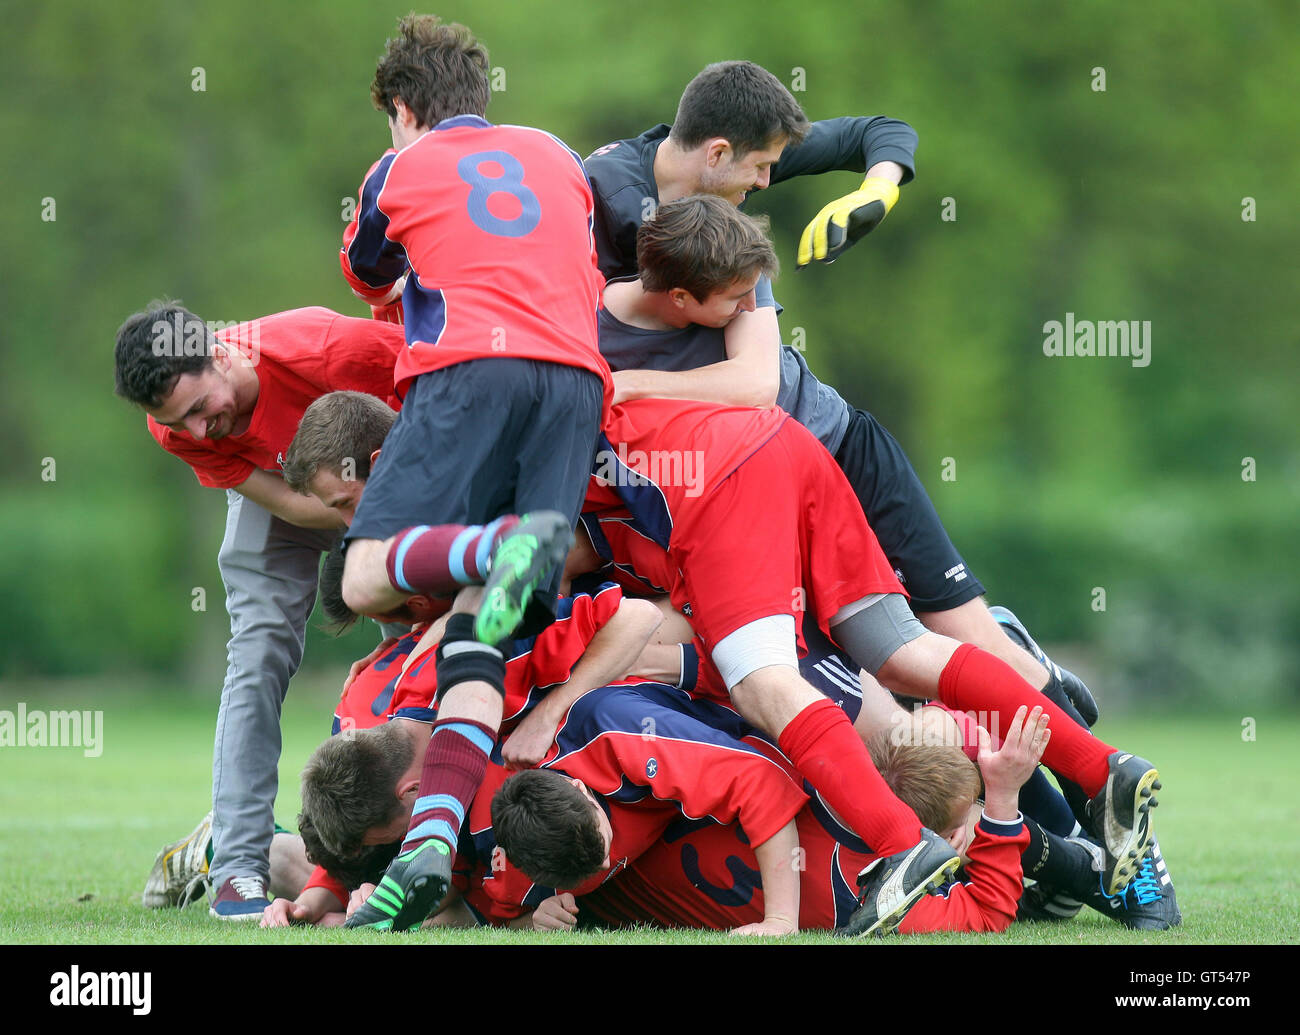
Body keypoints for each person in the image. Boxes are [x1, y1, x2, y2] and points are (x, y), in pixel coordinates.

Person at [586, 65, 1100, 727]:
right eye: (762, 168)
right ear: (717, 154)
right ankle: (1023, 811)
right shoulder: (619, 199)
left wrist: (873, 195)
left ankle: (1093, 773)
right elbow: (675, 279)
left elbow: (879, 131)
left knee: (964, 639)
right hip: (752, 484)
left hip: (833, 444)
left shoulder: (723, 184)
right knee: (883, 661)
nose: (768, 182)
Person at [578, 391, 1160, 925]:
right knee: (905, 655)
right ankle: (1098, 769)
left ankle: (909, 845)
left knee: (773, 687)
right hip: (796, 441)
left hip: (743, 476)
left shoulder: (571, 423)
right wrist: (1002, 801)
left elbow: (645, 623)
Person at [334, 14, 613, 929]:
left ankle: (500, 541)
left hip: (472, 373)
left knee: (362, 575)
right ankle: (431, 840)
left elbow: (367, 268)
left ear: (405, 110)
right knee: (476, 629)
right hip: (577, 385)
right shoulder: (558, 154)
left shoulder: (397, 167)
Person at [114, 301, 403, 918]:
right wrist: (357, 530)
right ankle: (239, 866)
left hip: (390, 484)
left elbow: (447, 408)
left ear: (222, 351)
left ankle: (412, 845)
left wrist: (390, 539)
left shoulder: (334, 349)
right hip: (289, 495)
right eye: (177, 422)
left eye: (198, 409)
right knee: (257, 654)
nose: (195, 432)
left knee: (410, 653)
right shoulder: (173, 427)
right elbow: (296, 509)